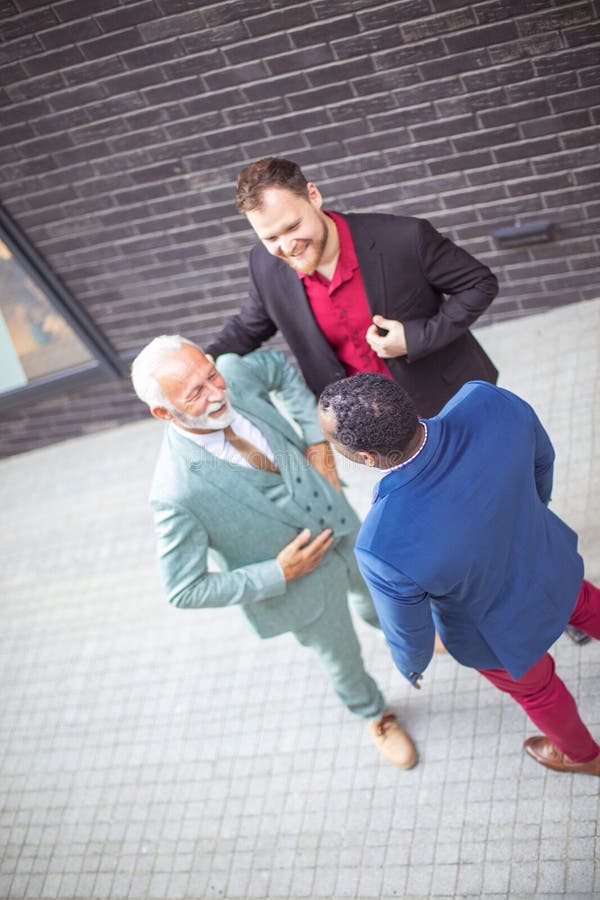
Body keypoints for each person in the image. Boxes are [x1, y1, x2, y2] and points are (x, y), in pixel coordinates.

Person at [130, 336, 417, 769]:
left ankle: (397, 632)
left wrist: (319, 445)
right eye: (196, 393)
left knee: (374, 588)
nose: (217, 392)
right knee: (342, 659)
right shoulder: (175, 493)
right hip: (300, 587)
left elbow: (280, 369)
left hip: (337, 518)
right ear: (162, 412)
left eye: (210, 374)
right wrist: (279, 572)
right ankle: (374, 714)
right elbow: (183, 589)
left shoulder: (235, 375)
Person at [317, 373, 600, 776]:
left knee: (538, 691)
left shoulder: (380, 542)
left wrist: (411, 667)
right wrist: (526, 512)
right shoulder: (485, 400)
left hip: (493, 632)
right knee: (586, 603)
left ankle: (582, 755)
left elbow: (409, 629)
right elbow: (543, 462)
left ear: (366, 458)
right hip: (547, 558)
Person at [206, 156, 499, 417]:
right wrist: (203, 361)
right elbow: (250, 325)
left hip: (453, 403)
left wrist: (416, 337)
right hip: (371, 431)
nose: (287, 246)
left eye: (293, 227)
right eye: (270, 238)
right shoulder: (263, 264)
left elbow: (479, 283)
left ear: (313, 195)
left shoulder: (404, 237)